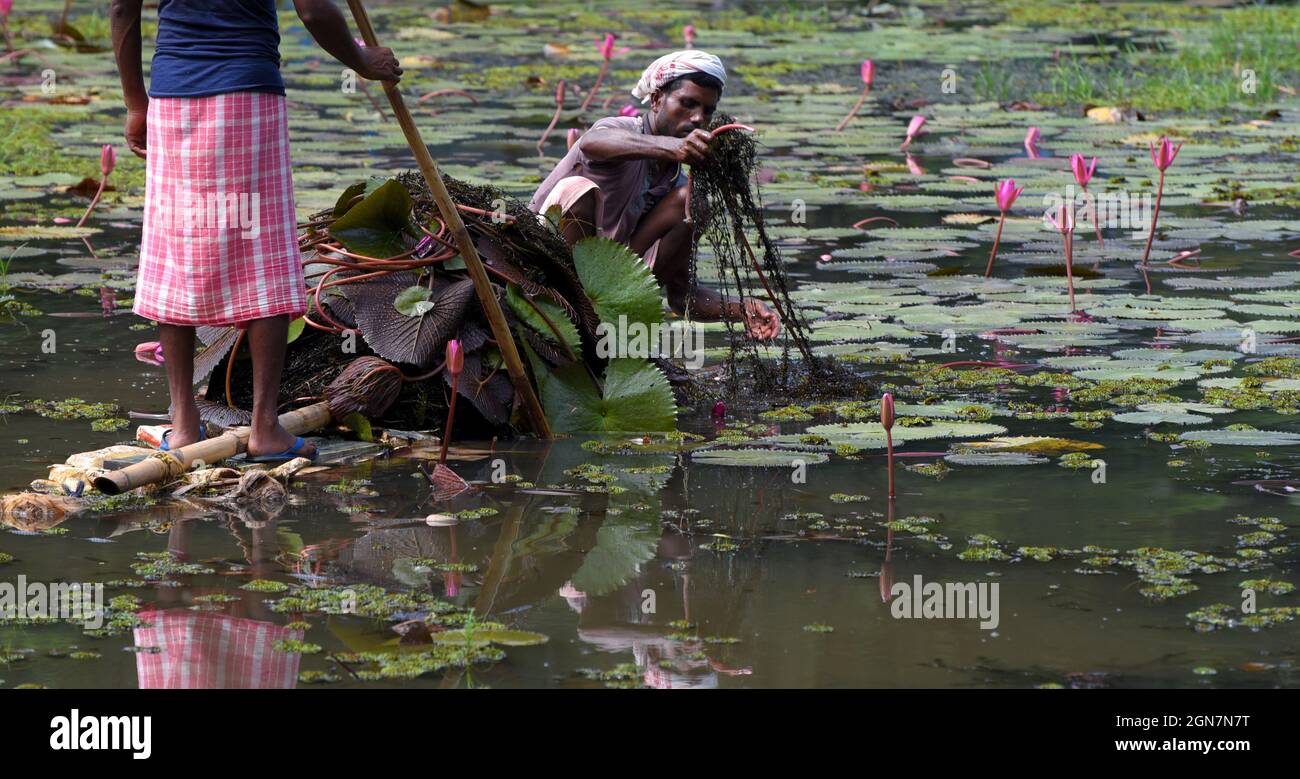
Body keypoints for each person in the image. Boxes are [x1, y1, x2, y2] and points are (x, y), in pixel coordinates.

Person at [110, 0, 402, 461]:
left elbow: (123, 8)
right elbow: (313, 10)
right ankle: (265, 428)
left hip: (172, 97)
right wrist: (362, 60)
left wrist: (134, 103)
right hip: (247, 92)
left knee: (177, 247)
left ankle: (184, 425)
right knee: (260, 250)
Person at [530, 50, 780, 341]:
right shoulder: (621, 130)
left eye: (707, 110)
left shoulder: (677, 182)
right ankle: (574, 304)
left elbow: (682, 296)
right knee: (574, 189)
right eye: (687, 103)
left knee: (692, 200)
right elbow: (592, 142)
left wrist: (742, 310)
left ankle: (604, 317)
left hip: (609, 291)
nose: (698, 117)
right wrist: (673, 148)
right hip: (548, 266)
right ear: (658, 99)